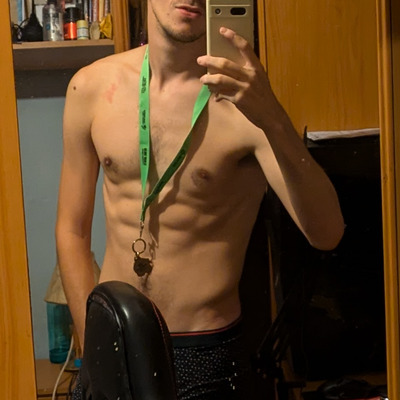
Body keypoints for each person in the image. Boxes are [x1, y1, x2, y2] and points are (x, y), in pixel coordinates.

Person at [55, 1, 344, 398]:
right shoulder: (89, 87)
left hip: (206, 353)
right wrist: (95, 349)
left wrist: (273, 118)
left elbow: (327, 233)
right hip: (113, 340)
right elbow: (72, 230)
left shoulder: (247, 104)